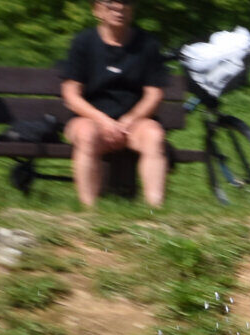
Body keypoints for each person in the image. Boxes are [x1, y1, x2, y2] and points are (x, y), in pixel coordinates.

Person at [58, 0, 169, 209]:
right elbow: (71, 94)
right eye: (110, 3)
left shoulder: (148, 44)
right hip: (90, 120)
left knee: (154, 135)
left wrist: (129, 120)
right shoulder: (83, 42)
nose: (119, 8)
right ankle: (89, 211)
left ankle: (155, 210)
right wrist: (103, 121)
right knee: (87, 135)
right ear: (96, 9)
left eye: (125, 3)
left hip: (134, 124)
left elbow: (154, 94)